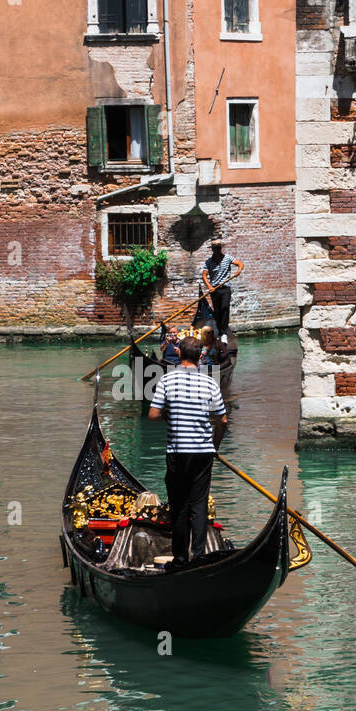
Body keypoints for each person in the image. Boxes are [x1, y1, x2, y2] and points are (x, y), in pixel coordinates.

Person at [148, 335, 227, 565]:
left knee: (179, 505)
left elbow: (152, 414)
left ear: (179, 354)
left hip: (178, 452)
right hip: (203, 453)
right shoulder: (210, 382)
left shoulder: (167, 380)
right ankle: (199, 557)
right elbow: (222, 420)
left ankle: (181, 558)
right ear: (200, 356)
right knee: (199, 505)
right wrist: (214, 446)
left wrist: (168, 415)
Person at [201, 236, 243, 341]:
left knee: (225, 308)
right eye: (215, 248)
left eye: (219, 247)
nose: (217, 250)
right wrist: (209, 287)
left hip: (225, 288)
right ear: (212, 249)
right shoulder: (208, 262)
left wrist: (238, 271)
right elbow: (204, 275)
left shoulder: (227, 258)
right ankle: (219, 331)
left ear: (221, 248)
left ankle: (224, 333)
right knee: (217, 311)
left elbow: (240, 264)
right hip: (214, 289)